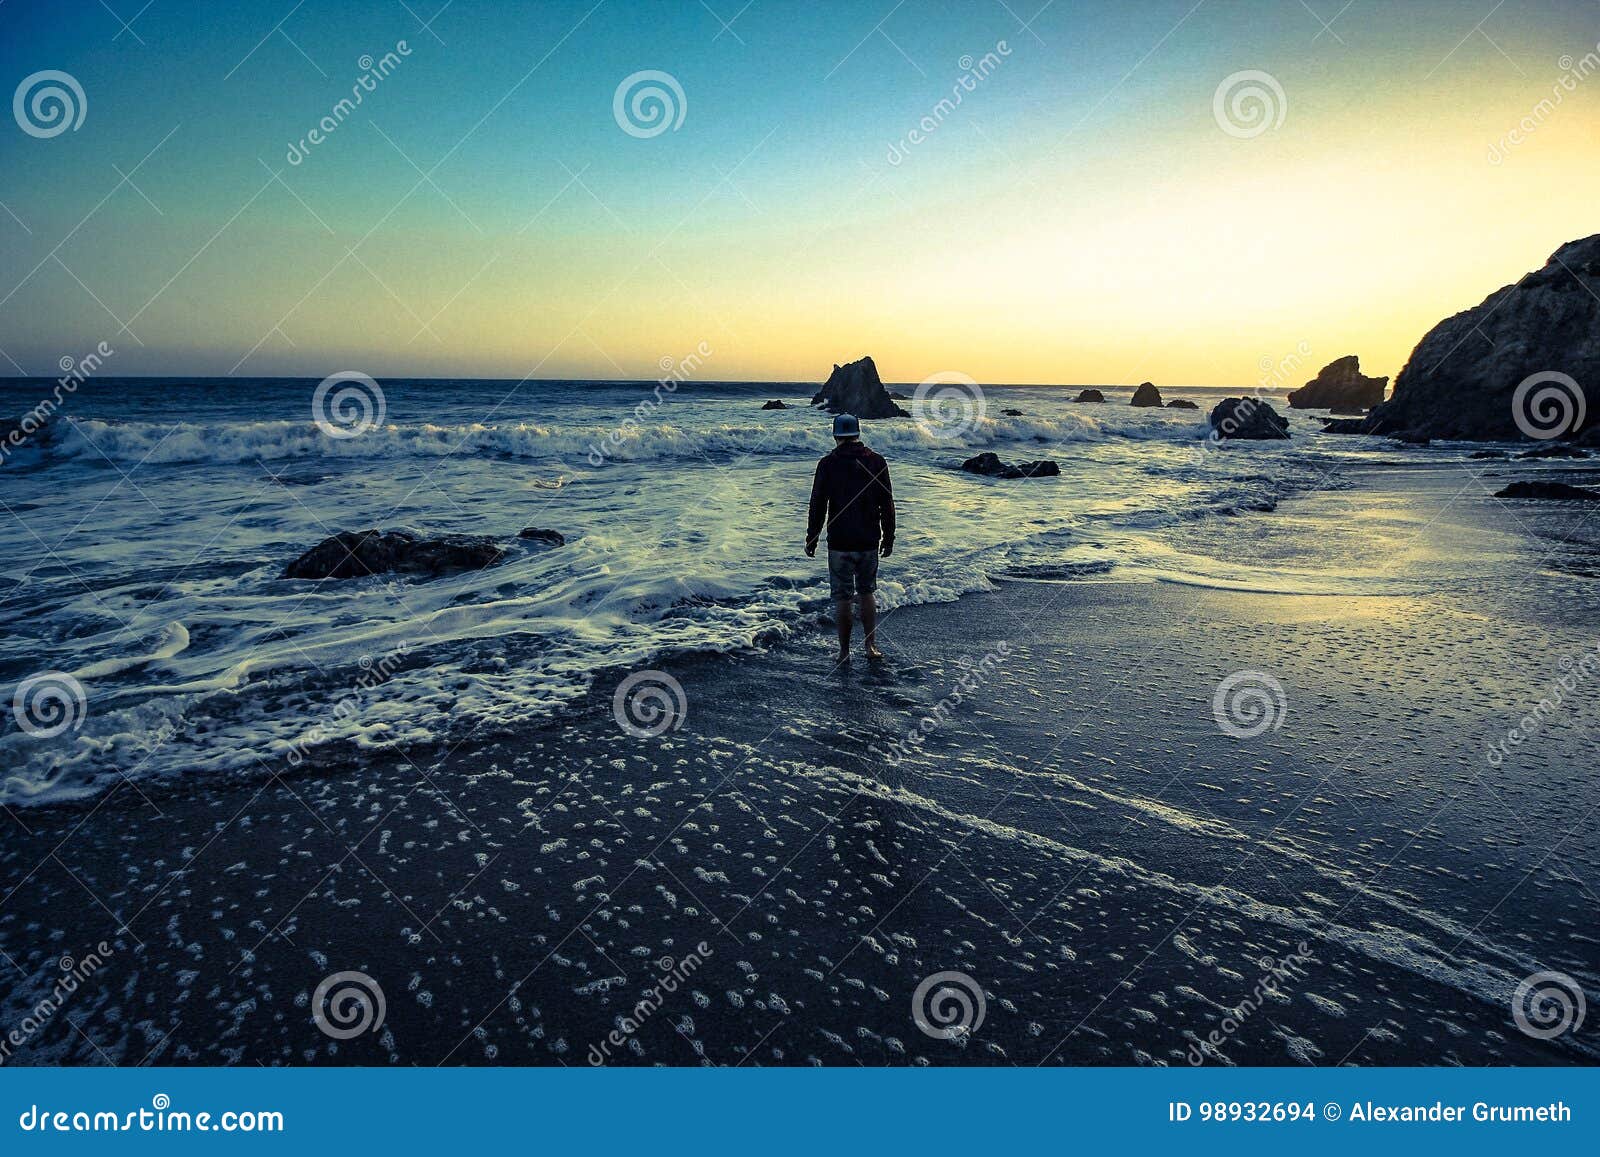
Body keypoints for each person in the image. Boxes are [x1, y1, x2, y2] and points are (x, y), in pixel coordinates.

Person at [805, 412, 895, 663]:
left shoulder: (827, 464)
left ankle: (844, 652)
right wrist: (889, 536)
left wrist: (812, 536)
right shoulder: (877, 461)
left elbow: (818, 503)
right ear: (857, 433)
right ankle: (870, 647)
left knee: (843, 597)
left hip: (839, 540)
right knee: (867, 593)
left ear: (835, 434)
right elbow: (887, 503)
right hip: (868, 538)